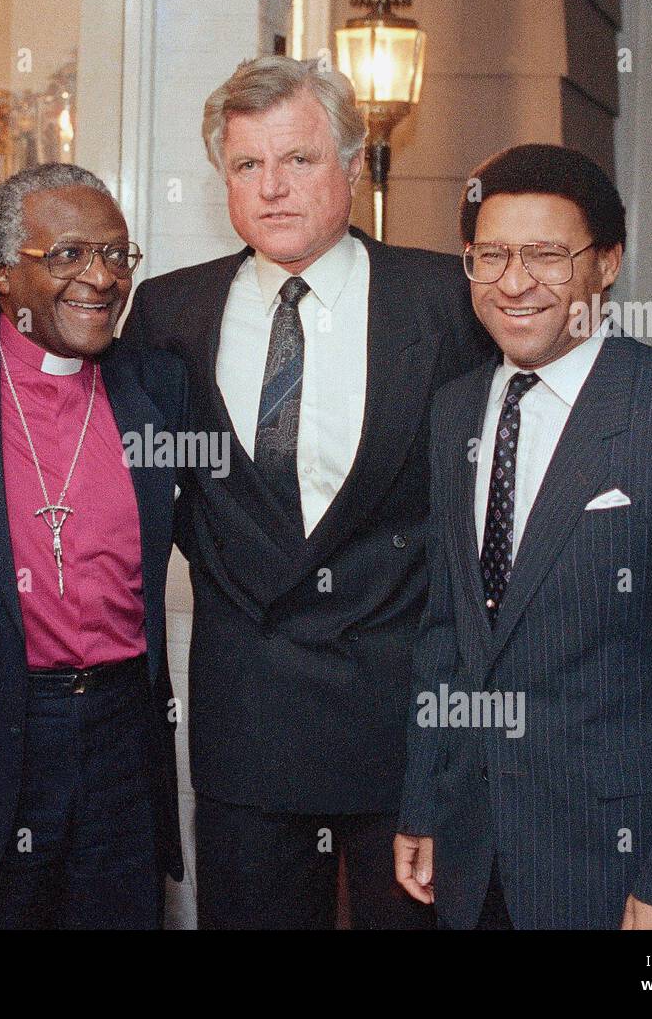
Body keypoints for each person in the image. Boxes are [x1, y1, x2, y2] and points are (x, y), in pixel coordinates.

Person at [123, 56, 492, 929]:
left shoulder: (445, 302)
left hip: (402, 717)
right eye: (247, 166)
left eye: (300, 160)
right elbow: (146, 491)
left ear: (355, 167)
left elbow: (483, 511)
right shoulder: (168, 312)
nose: (272, 189)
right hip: (248, 713)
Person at [394, 143, 652, 930]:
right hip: (472, 847)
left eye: (546, 255)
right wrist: (426, 798)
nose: (515, 281)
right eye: (491, 255)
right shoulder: (456, 413)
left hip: (616, 860)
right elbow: (447, 633)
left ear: (606, 265)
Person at [0, 163, 186, 929]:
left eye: (118, 255)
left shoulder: (155, 388)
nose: (101, 277)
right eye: (67, 255)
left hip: (123, 734)